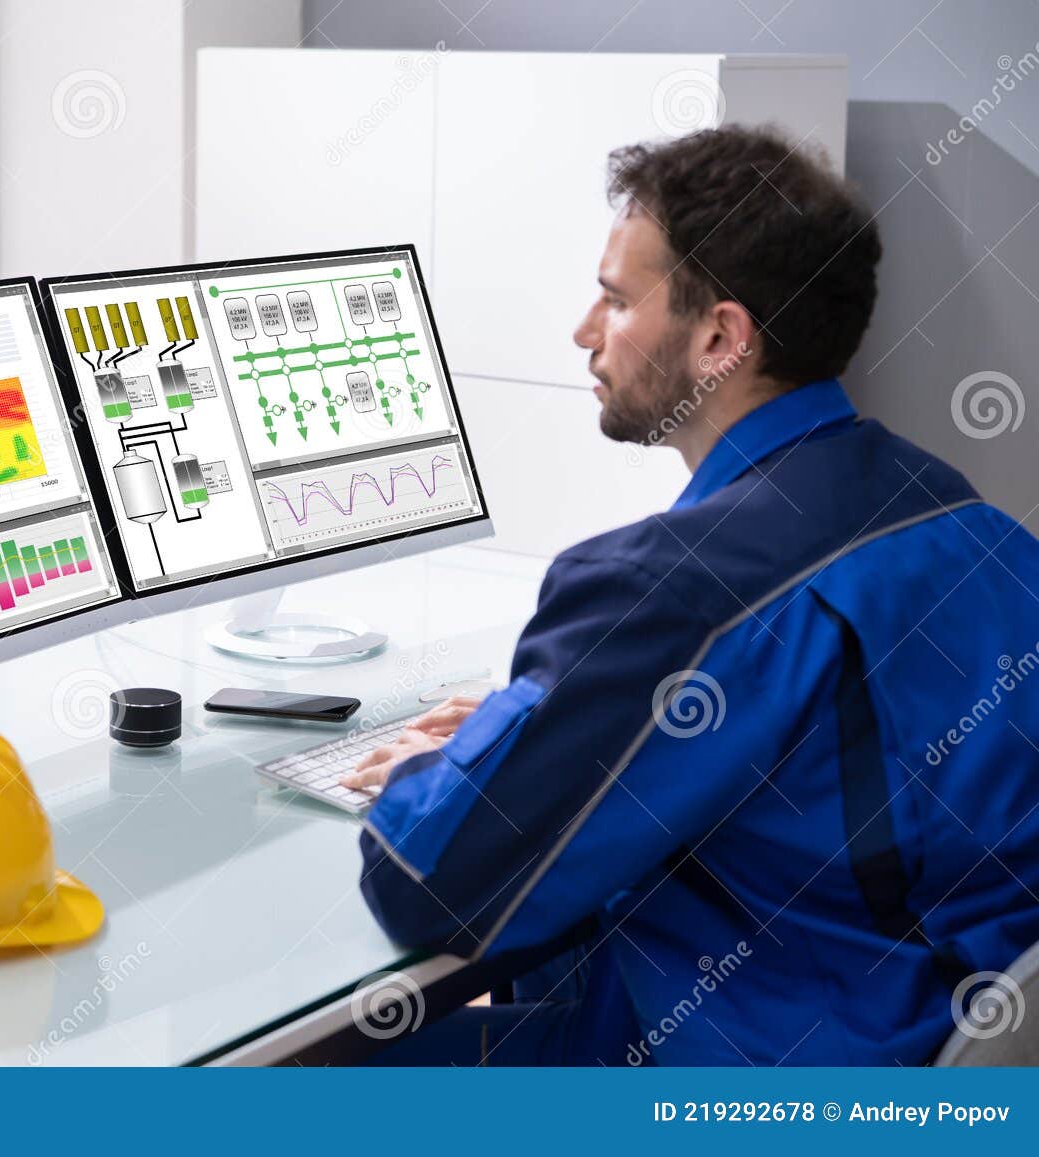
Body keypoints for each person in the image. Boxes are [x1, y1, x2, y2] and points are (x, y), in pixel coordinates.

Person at [343, 124, 1039, 1066]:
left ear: (719, 337)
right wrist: (541, 739)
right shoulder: (962, 517)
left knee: (273, 1085)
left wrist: (450, 774)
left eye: (616, 299)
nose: (586, 331)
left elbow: (429, 884)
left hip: (780, 1064)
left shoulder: (666, 591)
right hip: (945, 1041)